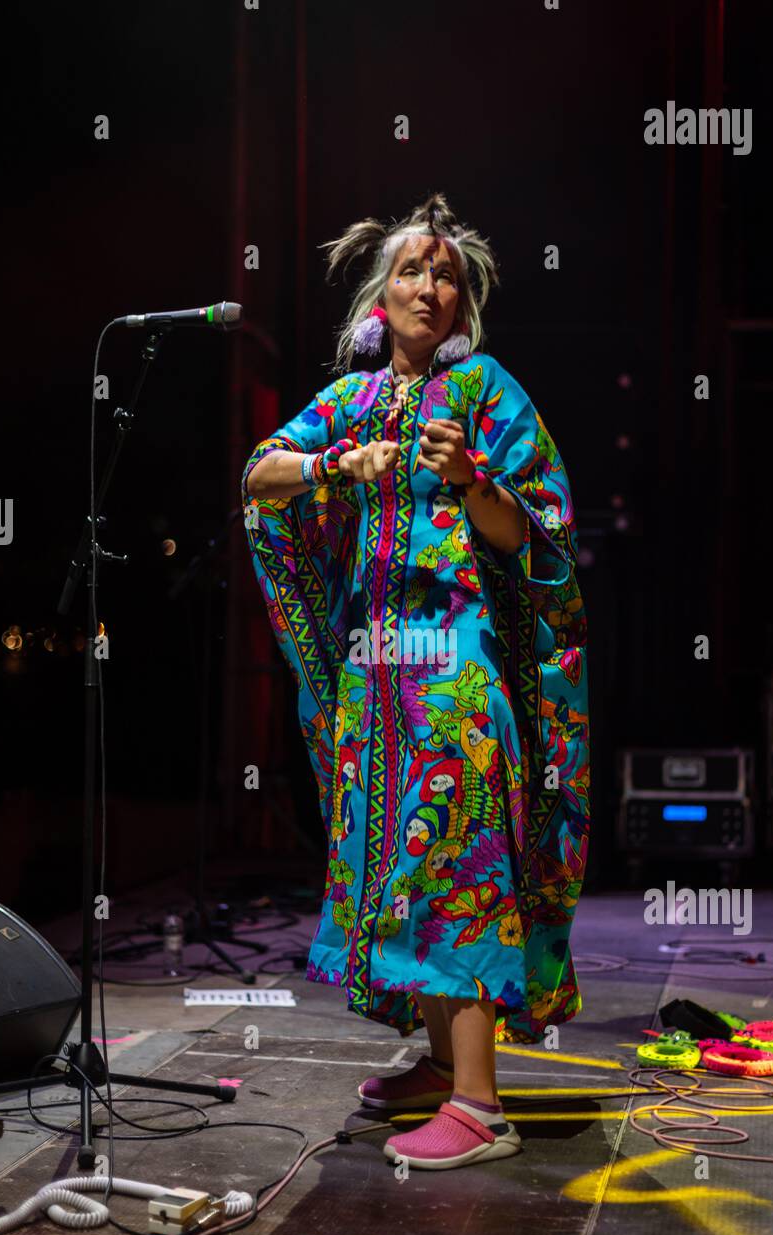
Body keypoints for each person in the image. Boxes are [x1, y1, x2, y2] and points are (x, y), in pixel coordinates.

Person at [242, 193, 589, 1169]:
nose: (428, 286)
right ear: (380, 295)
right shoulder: (353, 401)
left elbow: (541, 541)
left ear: (464, 303)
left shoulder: (485, 392)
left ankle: (481, 1107)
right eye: (411, 270)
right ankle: (441, 1066)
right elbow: (260, 478)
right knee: (401, 870)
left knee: (456, 864)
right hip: (378, 691)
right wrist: (339, 466)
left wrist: (476, 482)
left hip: (455, 680)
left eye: (446, 274)